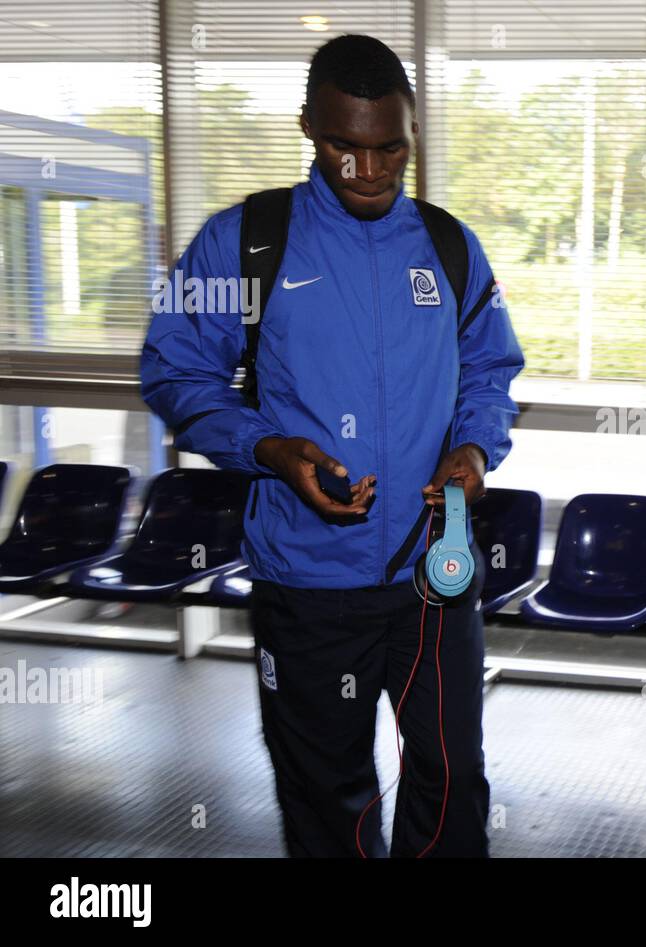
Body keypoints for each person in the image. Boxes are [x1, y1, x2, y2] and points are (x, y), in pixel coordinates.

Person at [140, 34, 524, 857]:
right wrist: (266, 446)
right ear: (308, 126)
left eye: (391, 148)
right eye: (344, 147)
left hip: (434, 577)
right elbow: (173, 371)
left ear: (413, 135)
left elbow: (491, 368)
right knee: (328, 799)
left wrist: (474, 450)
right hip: (308, 586)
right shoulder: (244, 240)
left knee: (453, 784)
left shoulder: (450, 247)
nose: (369, 169)